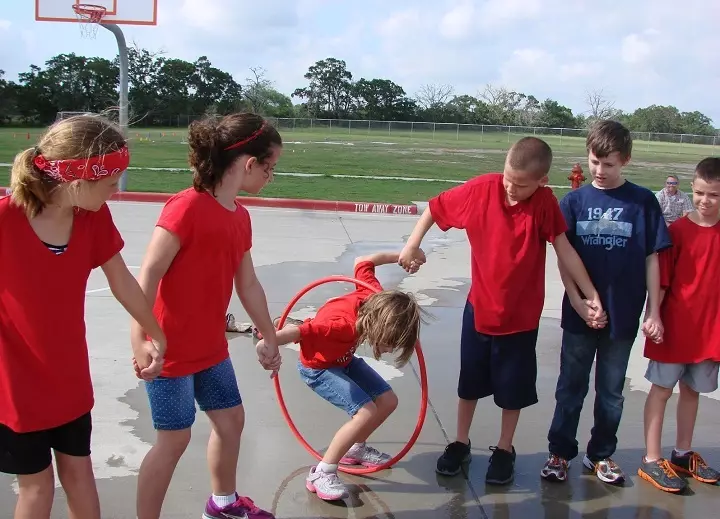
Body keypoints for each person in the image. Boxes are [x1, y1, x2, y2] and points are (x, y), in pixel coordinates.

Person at [398, 137, 604, 485]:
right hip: (480, 311)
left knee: (513, 391)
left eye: (520, 185)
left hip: (521, 320)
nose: (510, 188)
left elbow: (564, 249)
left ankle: (505, 449)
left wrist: (590, 294)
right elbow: (434, 207)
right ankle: (460, 442)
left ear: (541, 181)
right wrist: (412, 244)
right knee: (470, 385)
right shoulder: (481, 190)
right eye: (508, 178)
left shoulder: (543, 204)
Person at [0, 115, 166, 519]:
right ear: (78, 181)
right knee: (37, 488)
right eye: (111, 184)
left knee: (79, 474)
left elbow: (124, 282)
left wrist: (153, 333)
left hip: (68, 377)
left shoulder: (92, 218)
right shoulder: (6, 219)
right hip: (14, 383)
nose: (115, 192)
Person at [130, 113, 282, 519]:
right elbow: (148, 275)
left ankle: (223, 504)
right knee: (174, 440)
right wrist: (140, 338)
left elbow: (247, 284)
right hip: (170, 352)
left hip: (211, 349)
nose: (271, 176)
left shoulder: (239, 216)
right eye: (270, 168)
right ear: (249, 164)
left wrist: (269, 334)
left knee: (231, 421)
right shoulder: (186, 207)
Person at [541, 120, 672, 485]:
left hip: (623, 316)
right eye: (595, 162)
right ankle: (560, 452)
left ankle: (600, 455)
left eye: (609, 164)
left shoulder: (642, 202)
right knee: (571, 388)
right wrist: (577, 301)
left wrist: (654, 311)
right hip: (578, 315)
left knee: (611, 393)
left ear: (626, 160)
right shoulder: (574, 201)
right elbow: (564, 257)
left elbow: (652, 258)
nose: (600, 171)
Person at [255, 252, 424, 501]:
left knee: (388, 401)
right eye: (390, 343)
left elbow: (362, 262)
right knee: (364, 411)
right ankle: (322, 472)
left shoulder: (375, 298)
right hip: (319, 368)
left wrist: (403, 255)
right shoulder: (340, 325)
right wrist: (266, 344)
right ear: (379, 325)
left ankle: (356, 449)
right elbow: (301, 331)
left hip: (343, 360)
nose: (389, 350)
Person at [638, 157, 720, 493]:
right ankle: (652, 458)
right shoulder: (677, 233)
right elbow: (660, 282)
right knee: (661, 391)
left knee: (692, 392)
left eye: (713, 195)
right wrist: (652, 315)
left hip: (709, 331)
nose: (704, 200)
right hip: (673, 328)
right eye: (699, 192)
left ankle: (682, 454)